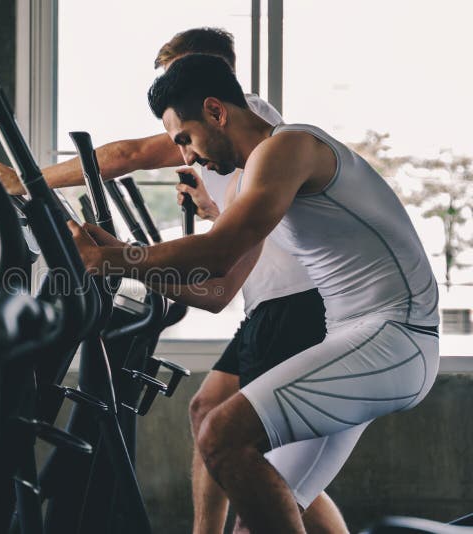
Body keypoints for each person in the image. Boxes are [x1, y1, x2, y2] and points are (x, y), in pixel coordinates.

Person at [67, 53, 440, 534]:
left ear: (216, 112)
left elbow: (217, 252)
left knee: (221, 434)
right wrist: (119, 258)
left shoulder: (290, 147)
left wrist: (114, 259)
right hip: (356, 344)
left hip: (396, 337)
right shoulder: (255, 176)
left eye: (185, 138)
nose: (186, 157)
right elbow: (217, 287)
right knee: (255, 519)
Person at [0, 28, 347, 534]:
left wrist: (28, 181)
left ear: (209, 85)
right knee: (211, 415)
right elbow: (237, 243)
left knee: (268, 474)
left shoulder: (248, 117)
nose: (172, 93)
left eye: (177, 77)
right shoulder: (236, 144)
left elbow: (129, 155)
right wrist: (209, 208)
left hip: (293, 304)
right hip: (267, 303)